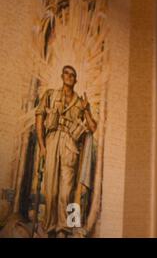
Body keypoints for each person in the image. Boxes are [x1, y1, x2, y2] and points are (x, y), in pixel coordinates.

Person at [35, 65, 97, 237]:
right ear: (62, 76)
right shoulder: (50, 95)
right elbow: (39, 119)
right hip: (52, 141)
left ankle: (64, 228)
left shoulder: (80, 102)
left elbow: (92, 127)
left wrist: (86, 110)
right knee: (50, 191)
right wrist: (41, 146)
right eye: (67, 73)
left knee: (65, 192)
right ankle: (49, 227)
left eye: (73, 75)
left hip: (70, 147)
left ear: (76, 80)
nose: (69, 77)